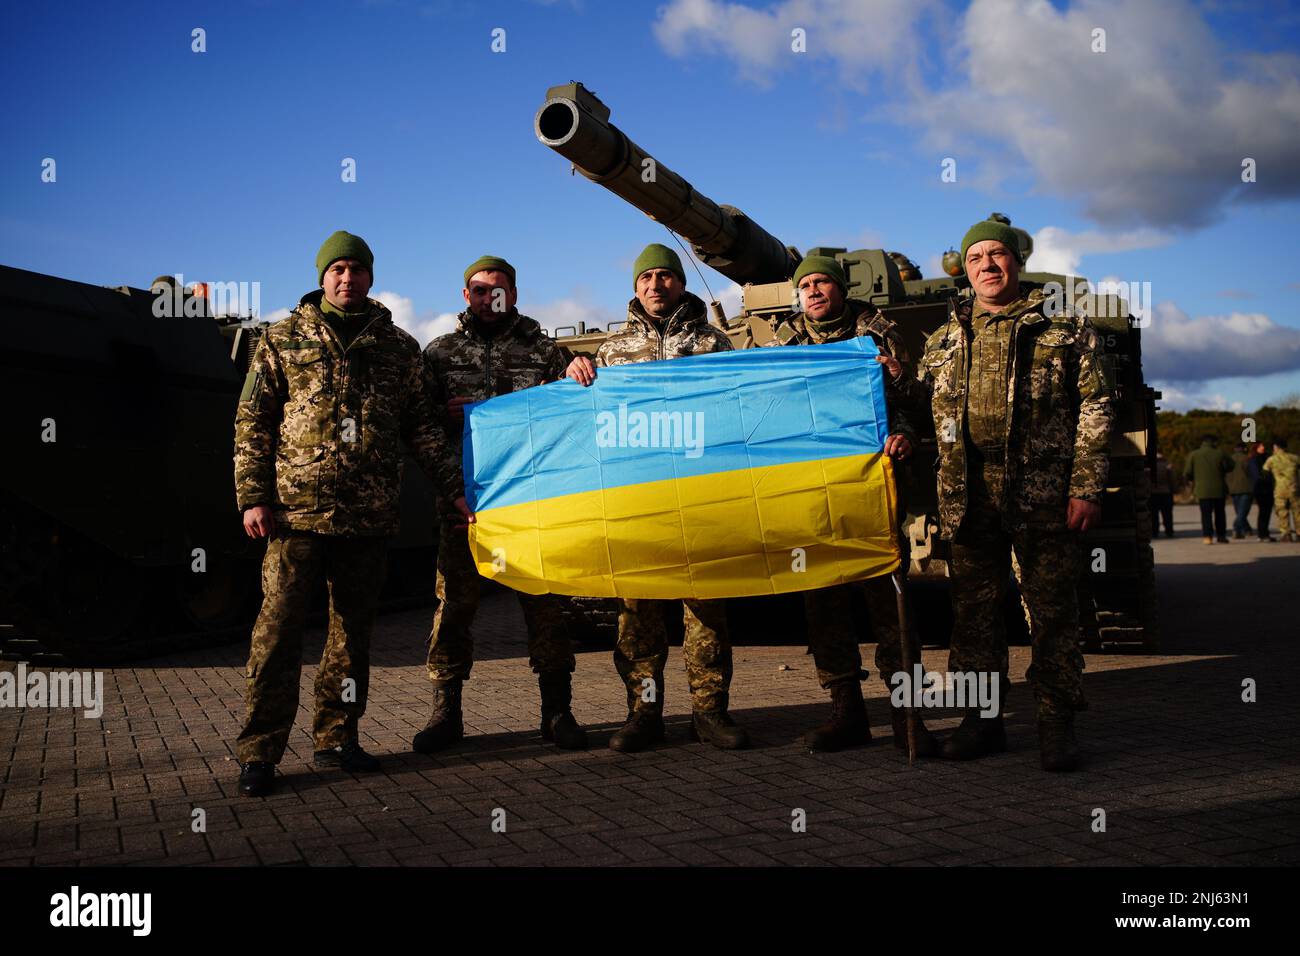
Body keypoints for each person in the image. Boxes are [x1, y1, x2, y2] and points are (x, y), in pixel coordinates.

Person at [232, 231, 472, 798]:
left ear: (370, 276)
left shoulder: (396, 347)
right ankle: (260, 751)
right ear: (322, 277)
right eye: (337, 269)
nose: (347, 278)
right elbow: (253, 422)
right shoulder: (281, 339)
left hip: (367, 517)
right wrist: (252, 496)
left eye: (357, 269)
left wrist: (455, 491)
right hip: (294, 515)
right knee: (277, 635)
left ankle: (337, 739)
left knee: (351, 637)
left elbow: (423, 430)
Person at [904, 217, 1113, 772]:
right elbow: (913, 404)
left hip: (1043, 494)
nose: (987, 266)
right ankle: (981, 722)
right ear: (964, 269)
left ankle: (1055, 724)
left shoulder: (1064, 330)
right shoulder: (945, 338)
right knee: (973, 617)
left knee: (1051, 614)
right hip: (970, 499)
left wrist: (1086, 486)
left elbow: (1096, 408)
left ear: (1017, 262)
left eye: (997, 255)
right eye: (976, 258)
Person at [565, 243, 747, 752]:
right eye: (646, 278)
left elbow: (733, 408)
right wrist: (572, 377)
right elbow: (587, 421)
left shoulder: (712, 343)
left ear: (681, 284)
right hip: (637, 498)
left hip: (698, 495)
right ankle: (643, 715)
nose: (655, 286)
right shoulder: (612, 352)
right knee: (637, 614)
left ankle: (710, 713)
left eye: (665, 276)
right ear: (635, 287)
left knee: (706, 610)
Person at [761, 255, 937, 756]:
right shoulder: (786, 344)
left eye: (822, 283)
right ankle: (846, 711)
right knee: (824, 603)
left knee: (889, 603)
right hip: (813, 490)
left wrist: (902, 433)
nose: (814, 291)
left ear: (840, 288)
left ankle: (908, 716)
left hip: (871, 487)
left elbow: (911, 403)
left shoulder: (879, 334)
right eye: (806, 285)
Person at [415, 256, 586, 753]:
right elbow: (419, 426)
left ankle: (557, 713)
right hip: (465, 505)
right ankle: (445, 714)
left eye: (499, 288)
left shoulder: (546, 352)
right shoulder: (439, 354)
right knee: (453, 610)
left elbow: (574, 420)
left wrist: (580, 368)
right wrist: (451, 479)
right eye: (478, 287)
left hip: (532, 504)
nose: (488, 295)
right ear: (464, 295)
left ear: (513, 294)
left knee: (546, 608)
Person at [1184, 435, 1233, 544]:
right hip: (1219, 489)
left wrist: (1195, 480)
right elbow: (1231, 466)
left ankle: (1207, 536)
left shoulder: (1194, 454)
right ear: (1214, 442)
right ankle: (1221, 536)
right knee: (1220, 513)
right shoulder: (1220, 453)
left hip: (1202, 490)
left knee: (1206, 514)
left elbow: (1187, 472)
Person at [1263, 438, 1299, 542]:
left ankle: (1286, 534)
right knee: (1297, 511)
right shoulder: (1294, 458)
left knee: (1282, 511)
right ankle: (1299, 532)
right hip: (1294, 489)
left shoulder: (1271, 459)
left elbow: (1265, 473)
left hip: (1280, 489)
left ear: (1276, 447)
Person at [1248, 441, 1276, 542]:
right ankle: (1262, 533)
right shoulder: (1253, 459)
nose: (1263, 447)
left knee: (1267, 511)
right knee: (1263, 511)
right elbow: (1256, 475)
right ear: (1256, 448)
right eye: (1261, 446)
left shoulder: (1268, 457)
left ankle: (1264, 533)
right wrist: (1266, 478)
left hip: (1269, 488)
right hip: (1260, 488)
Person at [1226, 442, 1255, 539]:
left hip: (1233, 489)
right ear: (1244, 449)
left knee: (1240, 512)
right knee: (1242, 512)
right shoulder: (1247, 459)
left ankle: (1247, 529)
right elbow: (1253, 473)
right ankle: (1236, 528)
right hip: (1246, 488)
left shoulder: (1229, 459)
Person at [1150, 451, 1175, 538]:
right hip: (1166, 492)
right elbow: (1171, 480)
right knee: (1167, 514)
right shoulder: (1167, 465)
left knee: (1154, 514)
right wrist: (1172, 489)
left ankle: (1154, 532)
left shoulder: (1149, 465)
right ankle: (1169, 531)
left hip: (1152, 493)